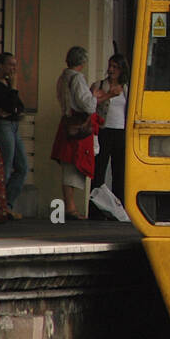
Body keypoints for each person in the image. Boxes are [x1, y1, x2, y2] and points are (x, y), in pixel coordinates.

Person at [51, 46, 107, 220]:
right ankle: (71, 207)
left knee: (69, 164)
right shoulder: (77, 78)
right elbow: (88, 104)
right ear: (82, 63)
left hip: (66, 123)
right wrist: (94, 95)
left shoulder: (63, 77)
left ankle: (70, 206)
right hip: (78, 124)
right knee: (73, 165)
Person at [0, 52, 28, 218]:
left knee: (22, 167)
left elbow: (19, 107)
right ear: (0, 65)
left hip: (13, 125)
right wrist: (14, 89)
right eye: (10, 64)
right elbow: (7, 105)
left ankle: (7, 203)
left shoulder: (8, 84)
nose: (14, 69)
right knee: (6, 166)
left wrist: (13, 105)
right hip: (1, 126)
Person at [92, 54, 129, 204]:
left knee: (119, 171)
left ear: (122, 70)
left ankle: (119, 205)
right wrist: (108, 94)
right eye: (110, 66)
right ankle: (96, 205)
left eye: (116, 67)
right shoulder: (100, 85)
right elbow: (90, 104)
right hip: (104, 130)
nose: (111, 69)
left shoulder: (127, 87)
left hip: (121, 131)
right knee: (99, 169)